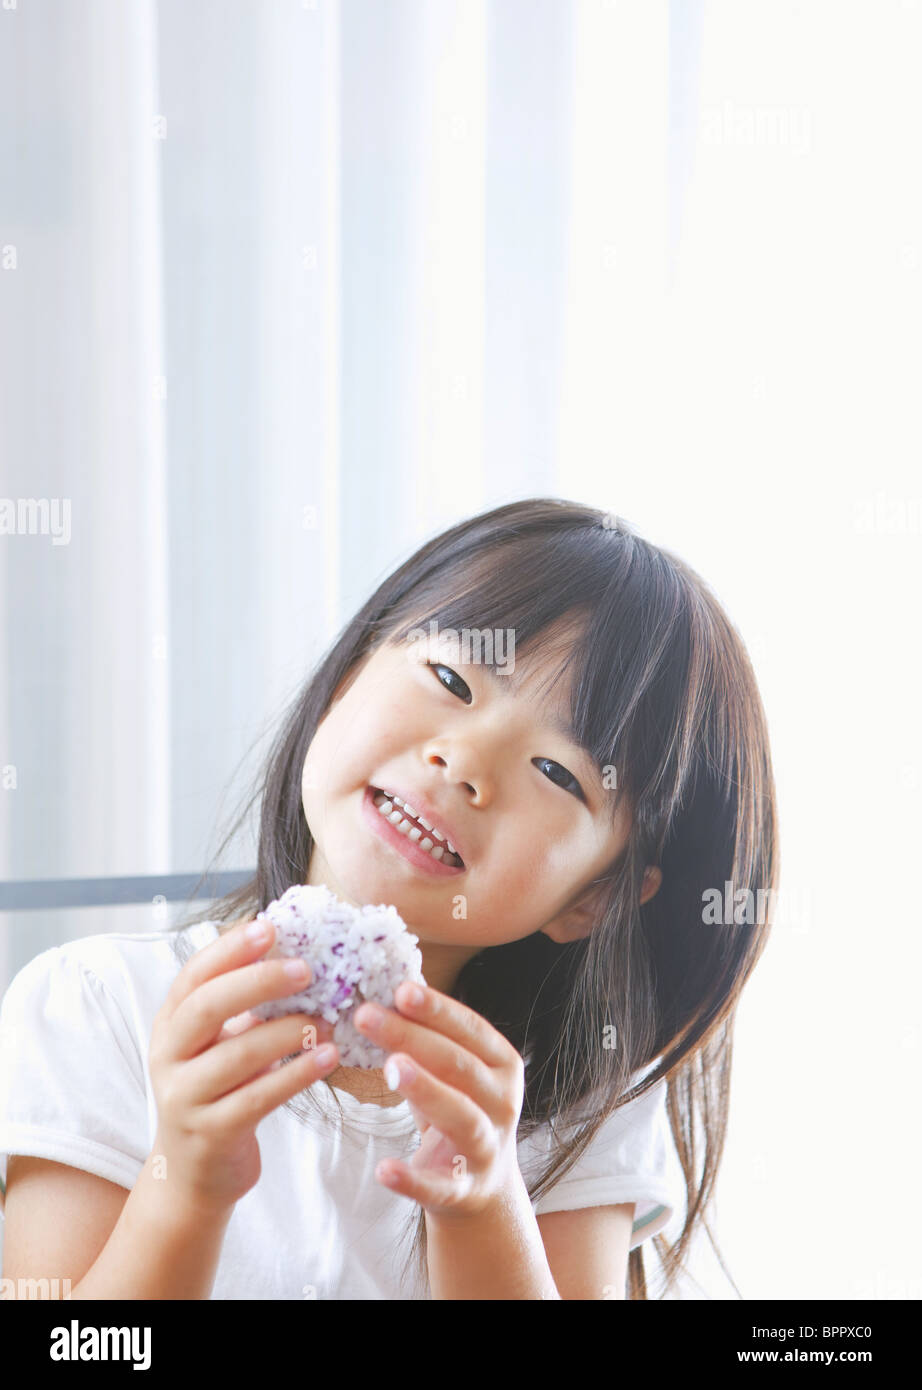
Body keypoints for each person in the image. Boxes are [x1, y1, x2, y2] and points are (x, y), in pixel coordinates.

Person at [0, 497, 777, 1299]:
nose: (463, 762)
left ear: (595, 901)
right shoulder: (97, 1010)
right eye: (450, 678)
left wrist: (482, 1211)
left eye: (558, 772)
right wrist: (187, 1186)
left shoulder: (576, 1112)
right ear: (347, 673)